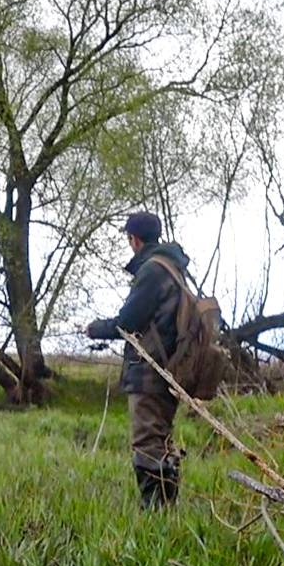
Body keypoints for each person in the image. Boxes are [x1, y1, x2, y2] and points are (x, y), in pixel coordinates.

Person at [85, 211, 191, 509]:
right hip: (168, 368)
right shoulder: (173, 267)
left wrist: (96, 329)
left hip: (150, 372)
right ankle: (167, 510)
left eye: (128, 238)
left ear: (134, 239)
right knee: (161, 439)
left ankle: (154, 513)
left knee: (147, 441)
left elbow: (128, 321)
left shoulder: (153, 270)